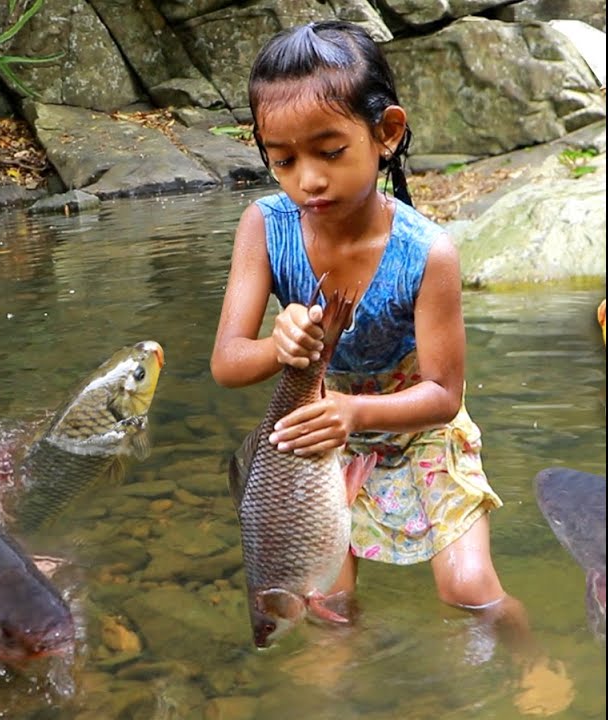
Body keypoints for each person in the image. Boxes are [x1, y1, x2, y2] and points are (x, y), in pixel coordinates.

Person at [209, 21, 570, 715]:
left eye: (329, 151)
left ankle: (531, 659)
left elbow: (443, 394)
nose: (308, 179)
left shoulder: (427, 252)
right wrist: (281, 347)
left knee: (469, 590)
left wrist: (354, 412)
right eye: (282, 160)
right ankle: (346, 688)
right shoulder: (265, 225)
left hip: (416, 426)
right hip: (320, 434)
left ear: (387, 133)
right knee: (326, 599)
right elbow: (228, 363)